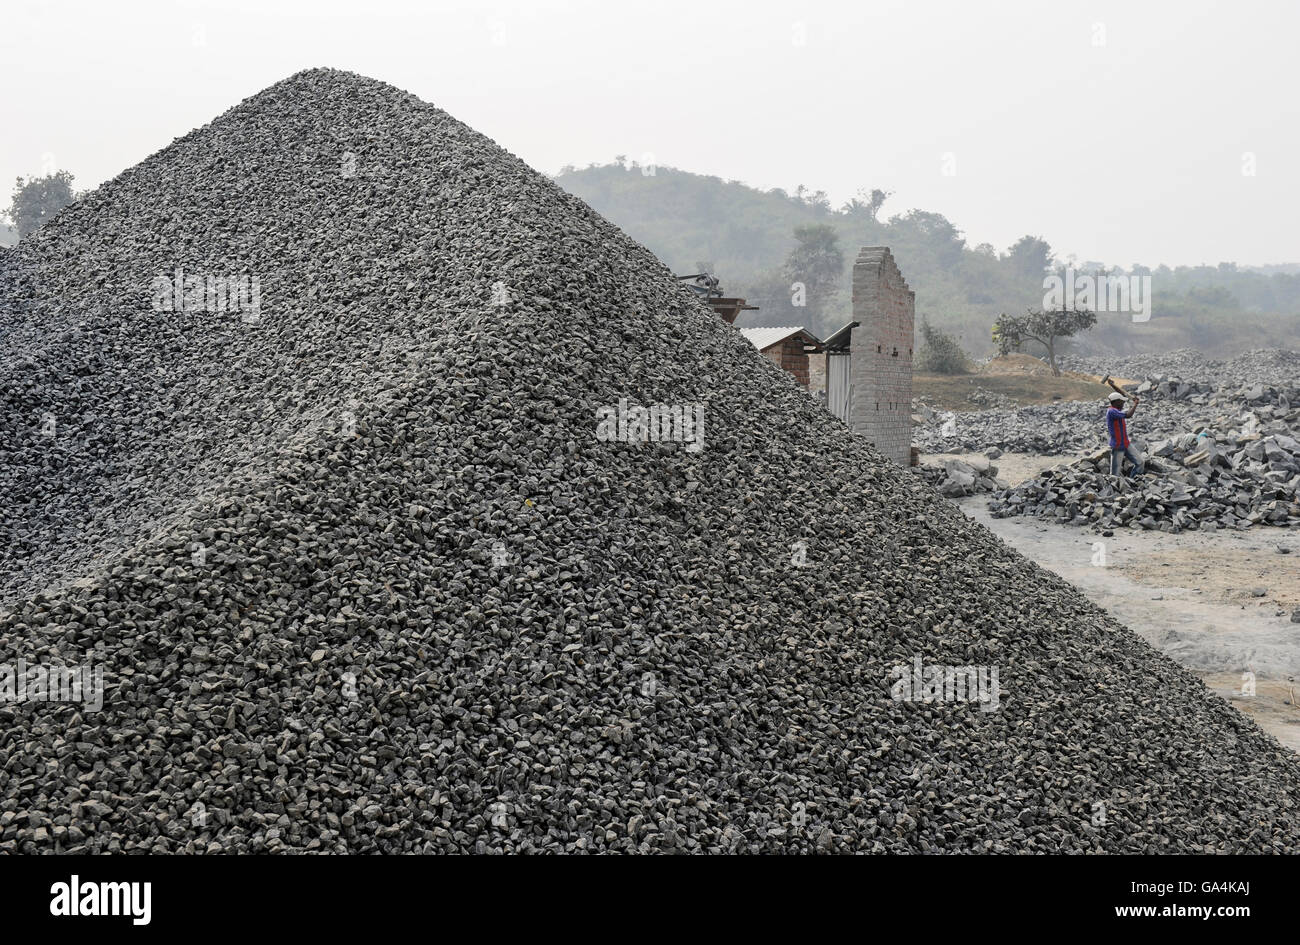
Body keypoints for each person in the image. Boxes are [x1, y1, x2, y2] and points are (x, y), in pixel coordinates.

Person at [1106, 390, 1143, 478]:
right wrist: (1135, 404)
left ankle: (1133, 481)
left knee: (1140, 462)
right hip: (1117, 446)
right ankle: (1114, 489)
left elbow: (1122, 394)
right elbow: (1128, 415)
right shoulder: (1112, 412)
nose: (1123, 403)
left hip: (1126, 443)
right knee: (1115, 474)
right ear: (1116, 402)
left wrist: (1113, 385)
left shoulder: (1117, 409)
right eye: (1121, 401)